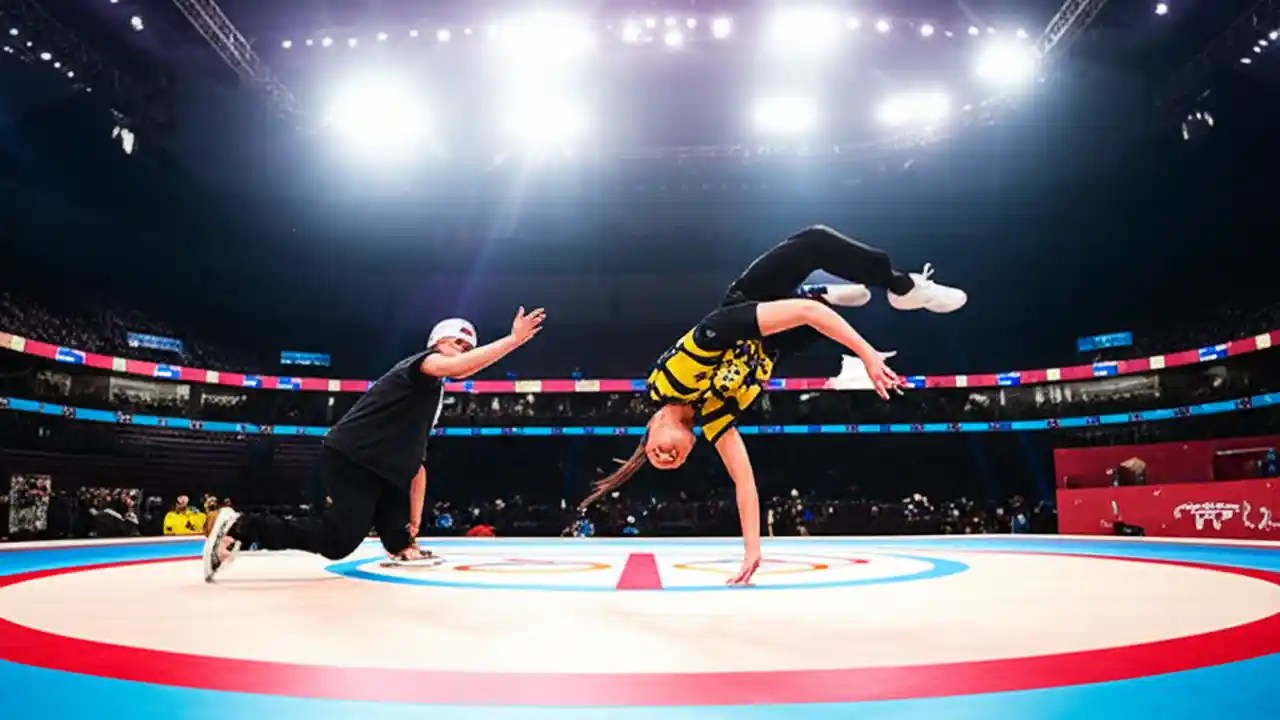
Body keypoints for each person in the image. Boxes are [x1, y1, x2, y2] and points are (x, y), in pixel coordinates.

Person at [577, 225, 966, 585]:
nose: (667, 458)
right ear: (692, 446)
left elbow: (806, 316)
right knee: (819, 314)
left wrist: (867, 354)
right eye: (674, 462)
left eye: (658, 455)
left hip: (750, 303)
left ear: (649, 433)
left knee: (814, 242)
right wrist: (752, 550)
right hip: (779, 343)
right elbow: (744, 482)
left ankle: (902, 287)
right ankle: (823, 293)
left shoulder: (680, 372)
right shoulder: (715, 420)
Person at [202, 307, 546, 582]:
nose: (464, 352)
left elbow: (417, 464)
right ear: (438, 343)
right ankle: (241, 525)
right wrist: (512, 341)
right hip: (356, 458)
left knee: (397, 533)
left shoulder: (430, 399)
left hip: (385, 467)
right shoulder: (423, 364)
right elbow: (457, 369)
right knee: (338, 542)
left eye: (468, 347)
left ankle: (400, 546)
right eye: (459, 343)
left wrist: (413, 524)